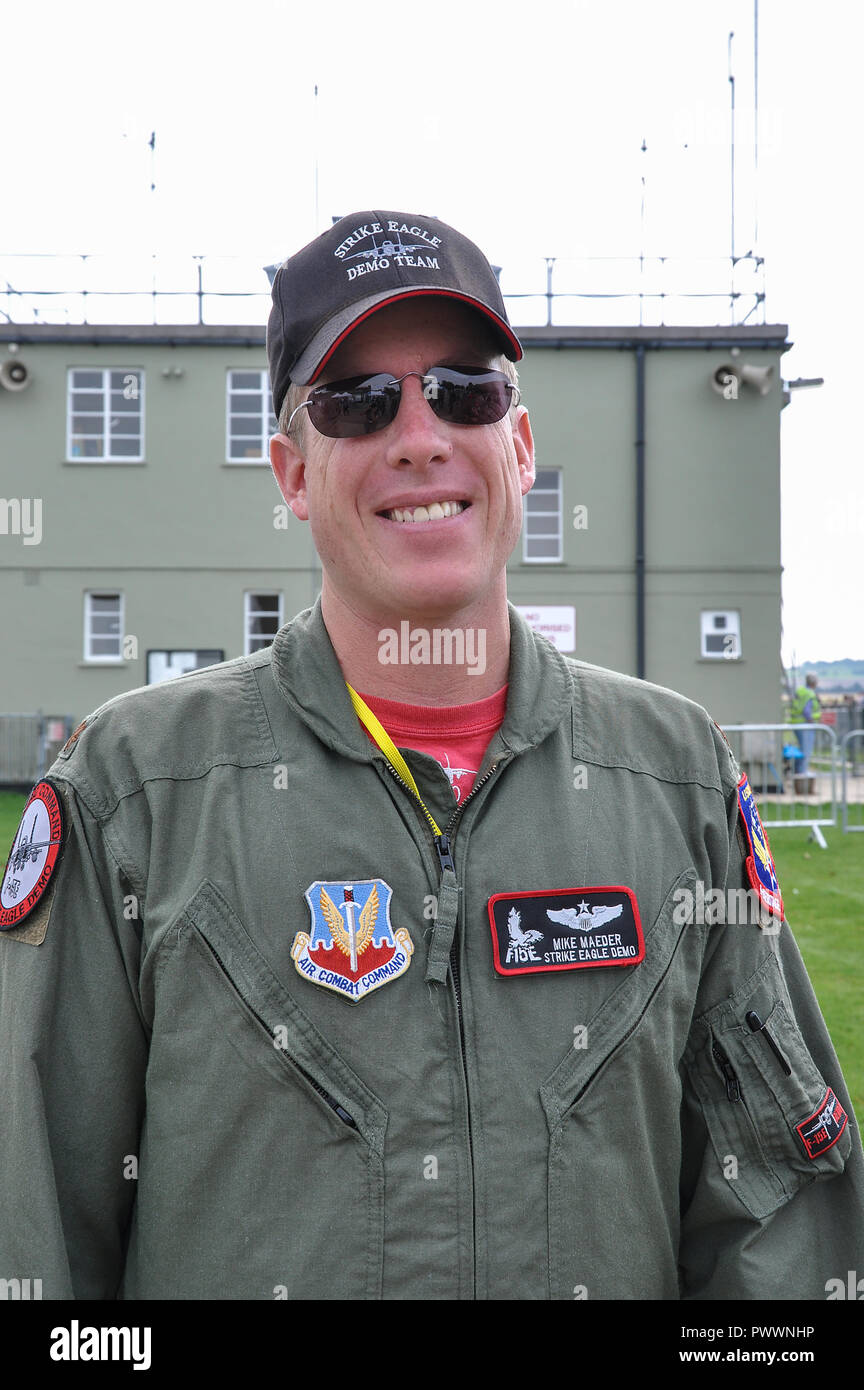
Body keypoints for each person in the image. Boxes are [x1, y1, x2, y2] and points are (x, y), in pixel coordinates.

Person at [1, 210, 862, 1302]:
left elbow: (774, 1222)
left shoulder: (678, 779)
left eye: (466, 389)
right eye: (356, 401)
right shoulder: (136, 793)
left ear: (522, 445)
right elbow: (33, 1242)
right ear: (294, 473)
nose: (420, 435)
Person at [788, 672, 822, 777]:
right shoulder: (810, 694)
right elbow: (807, 711)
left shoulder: (800, 691)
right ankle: (801, 773)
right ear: (815, 682)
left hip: (796, 724)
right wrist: (811, 720)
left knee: (801, 749)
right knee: (806, 750)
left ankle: (797, 771)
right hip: (805, 725)